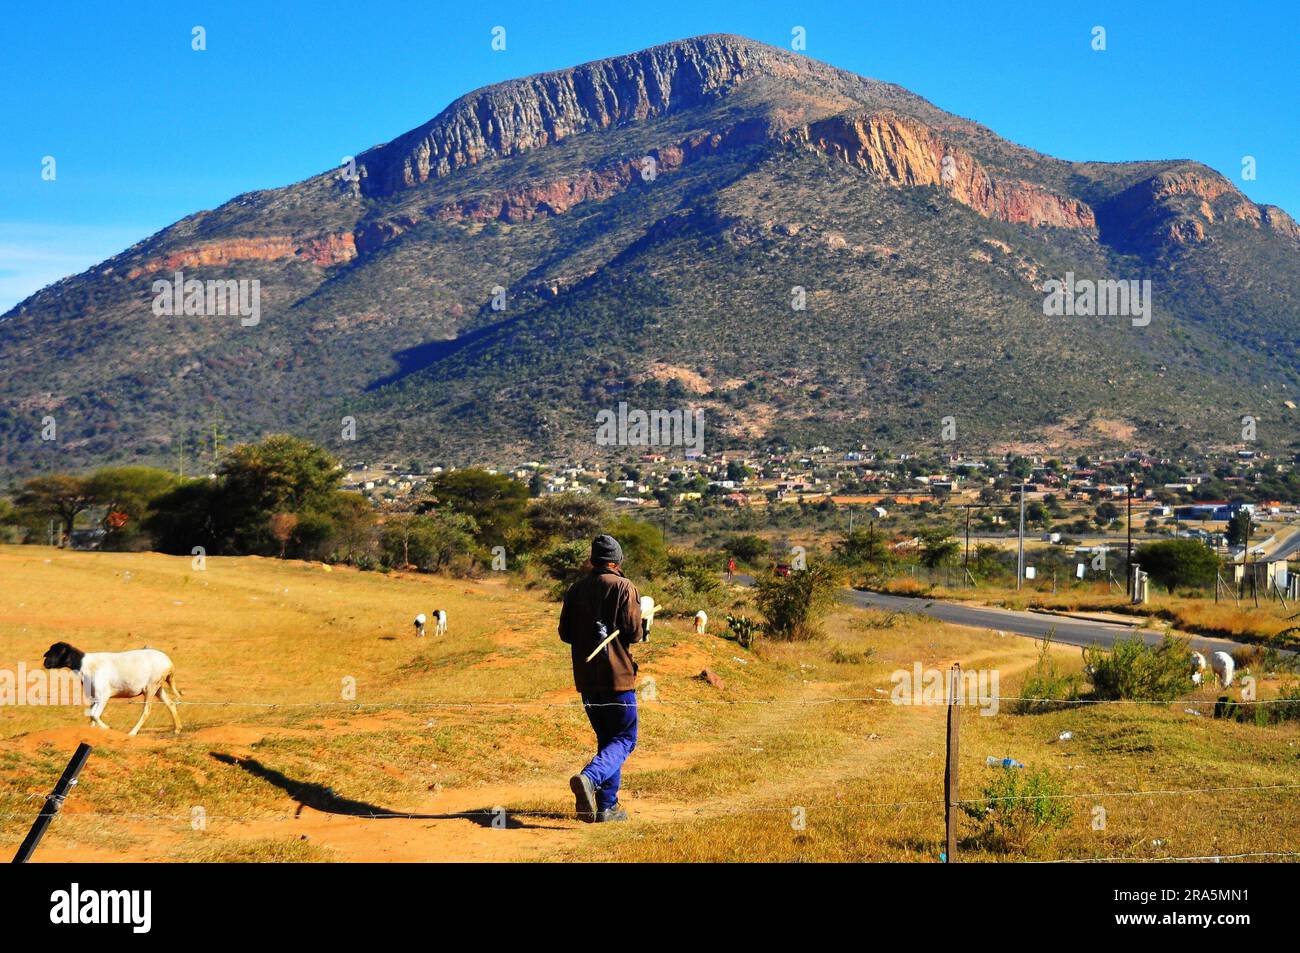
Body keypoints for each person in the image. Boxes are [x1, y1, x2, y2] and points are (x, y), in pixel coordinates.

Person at [558, 534, 642, 823]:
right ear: (617, 561)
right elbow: (633, 633)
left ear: (593, 561)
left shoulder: (575, 590)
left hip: (587, 680)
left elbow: (565, 634)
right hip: (617, 679)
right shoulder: (624, 587)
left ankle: (607, 807)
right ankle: (590, 778)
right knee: (625, 738)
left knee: (608, 739)